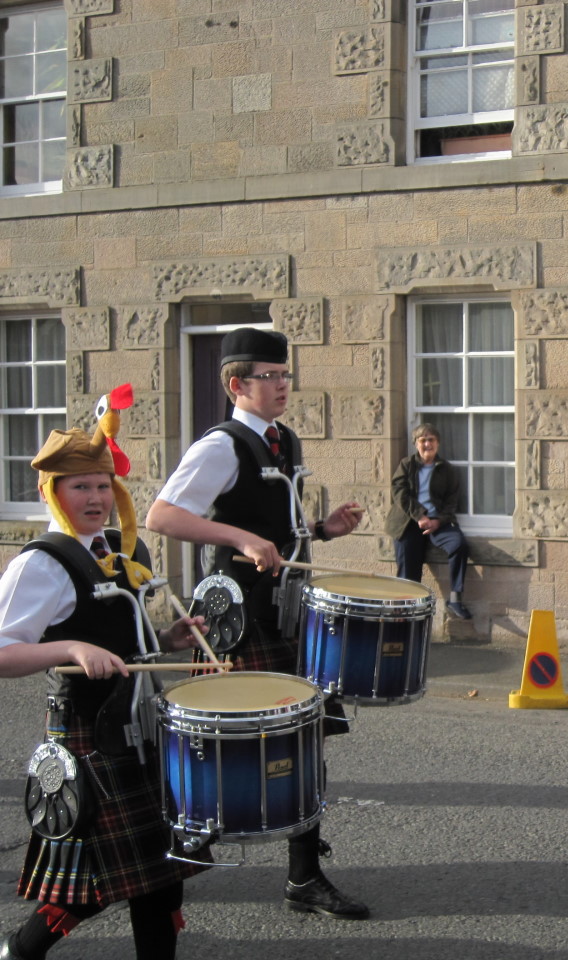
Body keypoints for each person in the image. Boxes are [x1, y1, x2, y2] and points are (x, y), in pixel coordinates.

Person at [145, 327, 369, 920]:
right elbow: (163, 514)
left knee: (302, 737)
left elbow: (279, 526)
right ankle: (172, 862)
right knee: (225, 748)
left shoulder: (284, 440)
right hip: (239, 617)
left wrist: (322, 531)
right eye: (270, 377)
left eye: (285, 375)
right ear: (235, 384)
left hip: (288, 610)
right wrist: (239, 537)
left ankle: (303, 877)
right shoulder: (220, 446)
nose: (282, 386)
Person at [0, 414, 209, 960]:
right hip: (88, 733)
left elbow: (122, 638)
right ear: (53, 491)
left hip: (141, 727)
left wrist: (166, 637)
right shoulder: (42, 565)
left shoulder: (124, 550)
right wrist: (69, 650)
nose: (95, 498)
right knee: (95, 881)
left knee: (163, 871)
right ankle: (21, 950)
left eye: (101, 485)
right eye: (80, 487)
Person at [385, 422, 472, 619]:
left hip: (438, 522)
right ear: (416, 444)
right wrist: (420, 516)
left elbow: (452, 501)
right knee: (409, 566)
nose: (427, 445)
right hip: (408, 522)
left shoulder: (447, 469)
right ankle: (406, 610)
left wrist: (438, 521)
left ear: (438, 443)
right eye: (422, 441)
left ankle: (455, 599)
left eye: (430, 440)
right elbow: (400, 494)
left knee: (459, 545)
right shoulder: (406, 465)